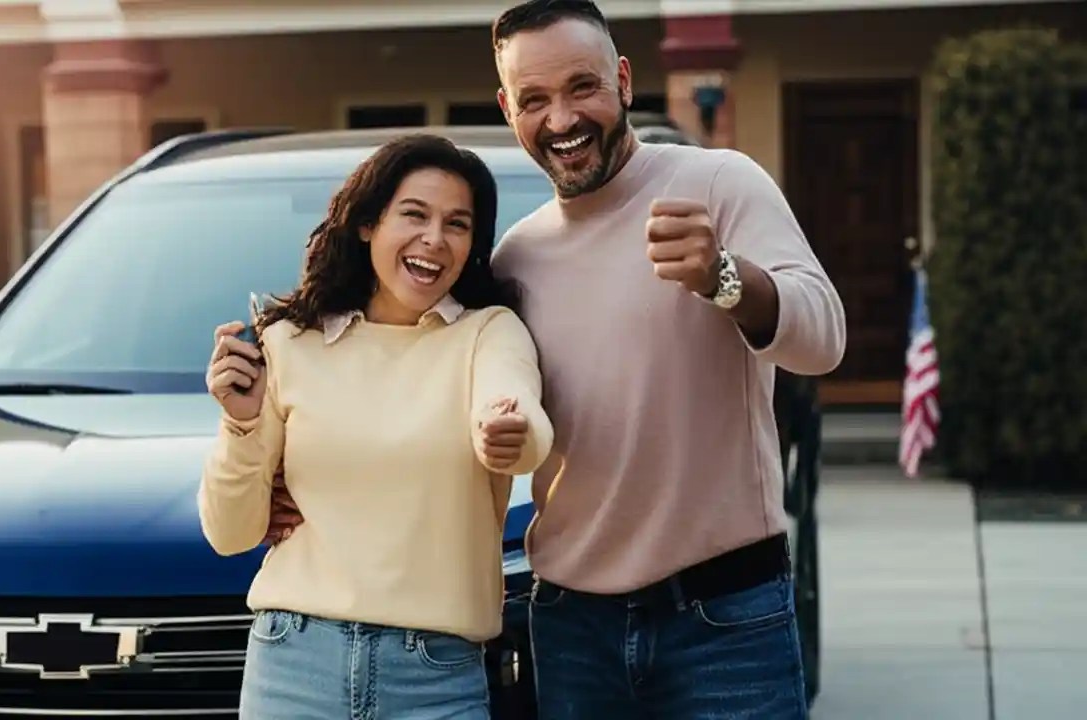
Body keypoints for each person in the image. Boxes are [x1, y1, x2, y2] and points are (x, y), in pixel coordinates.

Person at [488, 1, 846, 718]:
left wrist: (726, 278)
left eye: (582, 87)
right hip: (570, 628)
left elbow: (823, 338)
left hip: (725, 620)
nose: (561, 120)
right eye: (535, 99)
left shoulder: (720, 184)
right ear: (508, 108)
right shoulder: (513, 259)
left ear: (623, 81)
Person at [198, 133, 555, 719]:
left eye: (457, 224)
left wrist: (508, 432)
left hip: (435, 675)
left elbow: (518, 415)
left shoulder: (488, 333)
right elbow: (229, 535)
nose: (434, 240)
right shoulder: (288, 343)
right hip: (292, 661)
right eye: (414, 214)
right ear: (367, 223)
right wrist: (240, 424)